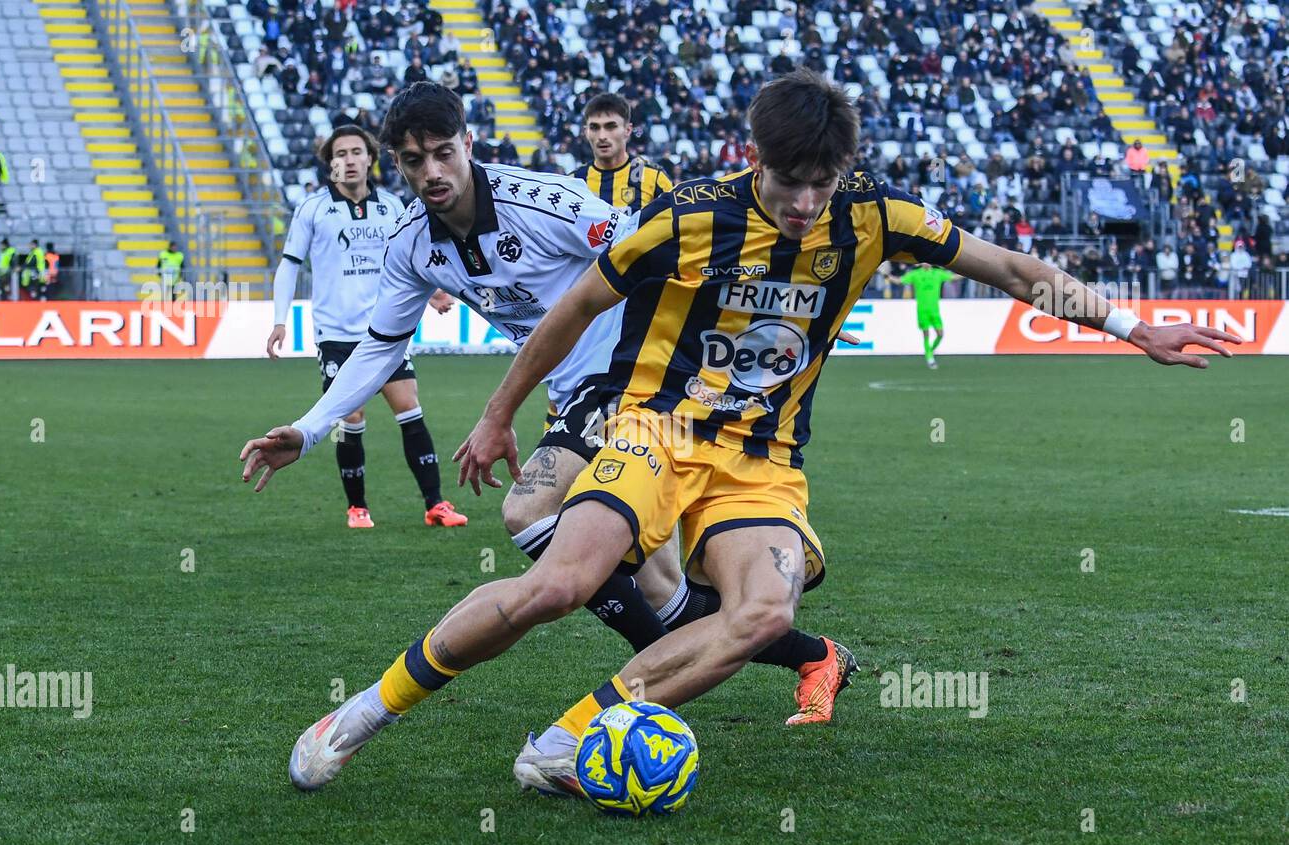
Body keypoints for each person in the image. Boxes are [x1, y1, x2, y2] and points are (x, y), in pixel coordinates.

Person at [252, 69, 1242, 797]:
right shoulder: (687, 219)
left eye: (822, 183)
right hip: (654, 430)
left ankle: (565, 741)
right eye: (788, 182)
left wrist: (1128, 323)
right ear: (750, 159)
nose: (807, 203)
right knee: (554, 581)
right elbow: (572, 307)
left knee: (763, 611)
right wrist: (504, 407)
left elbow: (1015, 270)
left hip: (761, 464)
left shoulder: (875, 217)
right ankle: (361, 712)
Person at [240, 83, 855, 756]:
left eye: (444, 153)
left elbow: (651, 247)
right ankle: (799, 654)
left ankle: (651, 674)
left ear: (469, 145)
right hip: (573, 396)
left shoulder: (546, 201)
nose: (432, 173)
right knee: (662, 590)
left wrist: (779, 316)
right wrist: (309, 428)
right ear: (398, 163)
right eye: (414, 162)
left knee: (528, 513)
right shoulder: (413, 244)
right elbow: (382, 345)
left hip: (634, 385)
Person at [266, 122, 467, 530]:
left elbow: (412, 261)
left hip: (387, 331)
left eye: (356, 152)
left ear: (371, 158)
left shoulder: (393, 206)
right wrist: (279, 320)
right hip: (336, 335)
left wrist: (433, 292)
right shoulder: (312, 209)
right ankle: (357, 508)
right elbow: (290, 266)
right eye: (339, 155)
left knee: (409, 408)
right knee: (350, 416)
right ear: (330, 166)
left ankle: (436, 504)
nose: (349, 160)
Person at [572, 93, 672, 215]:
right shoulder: (574, 182)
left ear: (628, 130)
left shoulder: (654, 177)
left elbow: (675, 227)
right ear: (586, 132)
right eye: (594, 128)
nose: (602, 136)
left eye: (610, 127)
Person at [900, 261, 953, 368]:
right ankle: (929, 358)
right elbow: (899, 281)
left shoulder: (937, 273)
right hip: (922, 310)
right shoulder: (915, 274)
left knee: (940, 334)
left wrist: (973, 273)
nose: (927, 263)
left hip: (935, 310)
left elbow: (954, 277)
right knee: (926, 334)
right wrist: (887, 277)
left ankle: (930, 351)